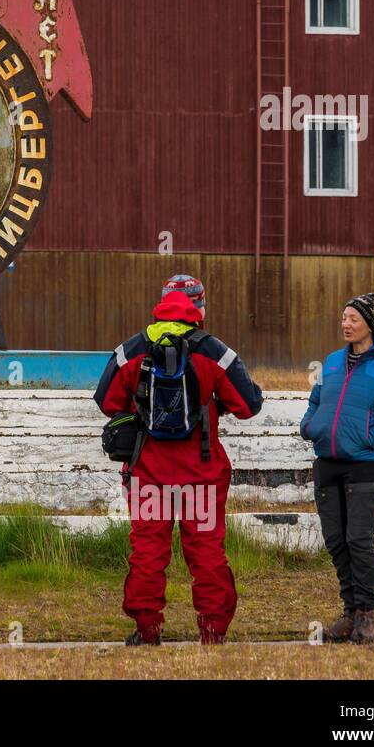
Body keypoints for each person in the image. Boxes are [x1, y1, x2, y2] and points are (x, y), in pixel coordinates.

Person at [94, 275, 264, 645]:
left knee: (148, 553)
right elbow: (249, 405)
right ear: (199, 308)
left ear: (162, 303)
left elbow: (106, 402)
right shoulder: (214, 351)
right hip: (201, 474)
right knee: (206, 552)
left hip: (148, 473)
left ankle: (147, 629)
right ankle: (213, 632)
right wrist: (211, 404)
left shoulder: (133, 348)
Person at [299, 292, 374, 646]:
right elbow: (315, 402)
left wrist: (369, 439)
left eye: (353, 318)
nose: (345, 324)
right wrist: (310, 426)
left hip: (366, 465)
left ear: (371, 323)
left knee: (358, 539)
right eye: (343, 317)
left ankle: (367, 614)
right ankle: (349, 613)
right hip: (328, 462)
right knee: (336, 540)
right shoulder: (332, 362)